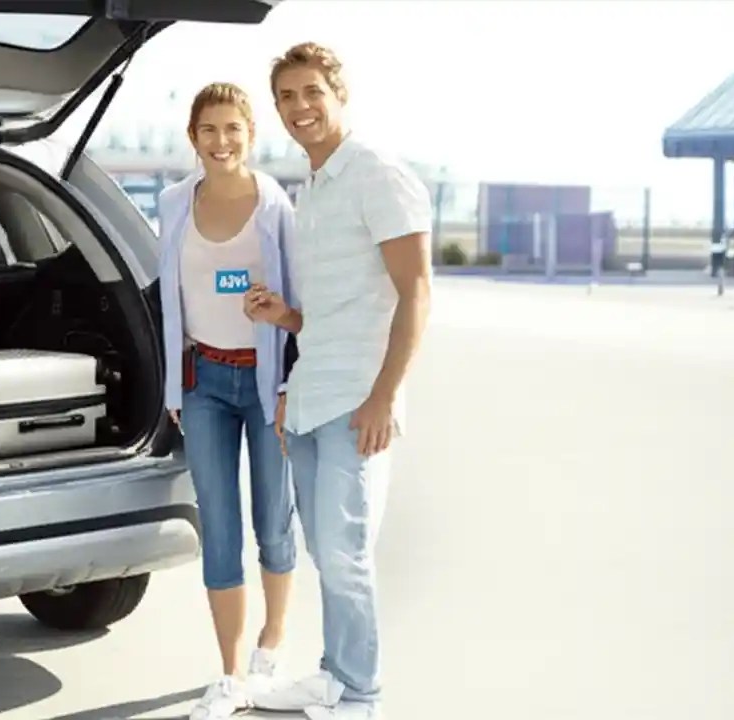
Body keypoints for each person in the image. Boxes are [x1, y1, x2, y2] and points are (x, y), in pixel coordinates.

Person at [244, 42, 434, 719]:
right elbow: (332, 308)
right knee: (325, 551)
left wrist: (384, 396)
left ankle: (361, 695)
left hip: (359, 400)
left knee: (347, 554)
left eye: (311, 92)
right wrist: (287, 323)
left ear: (339, 94)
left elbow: (416, 293)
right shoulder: (313, 187)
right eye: (287, 98)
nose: (300, 108)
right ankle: (333, 675)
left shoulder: (377, 174)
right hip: (312, 395)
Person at [157, 81, 301, 719]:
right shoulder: (171, 204)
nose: (221, 142)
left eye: (232, 130)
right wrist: (172, 390)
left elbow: (303, 304)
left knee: (272, 523)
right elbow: (168, 304)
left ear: (251, 135)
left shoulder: (278, 209)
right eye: (209, 131)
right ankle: (231, 673)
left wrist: (290, 388)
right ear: (193, 138)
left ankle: (272, 644)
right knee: (219, 528)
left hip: (266, 386)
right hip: (203, 384)